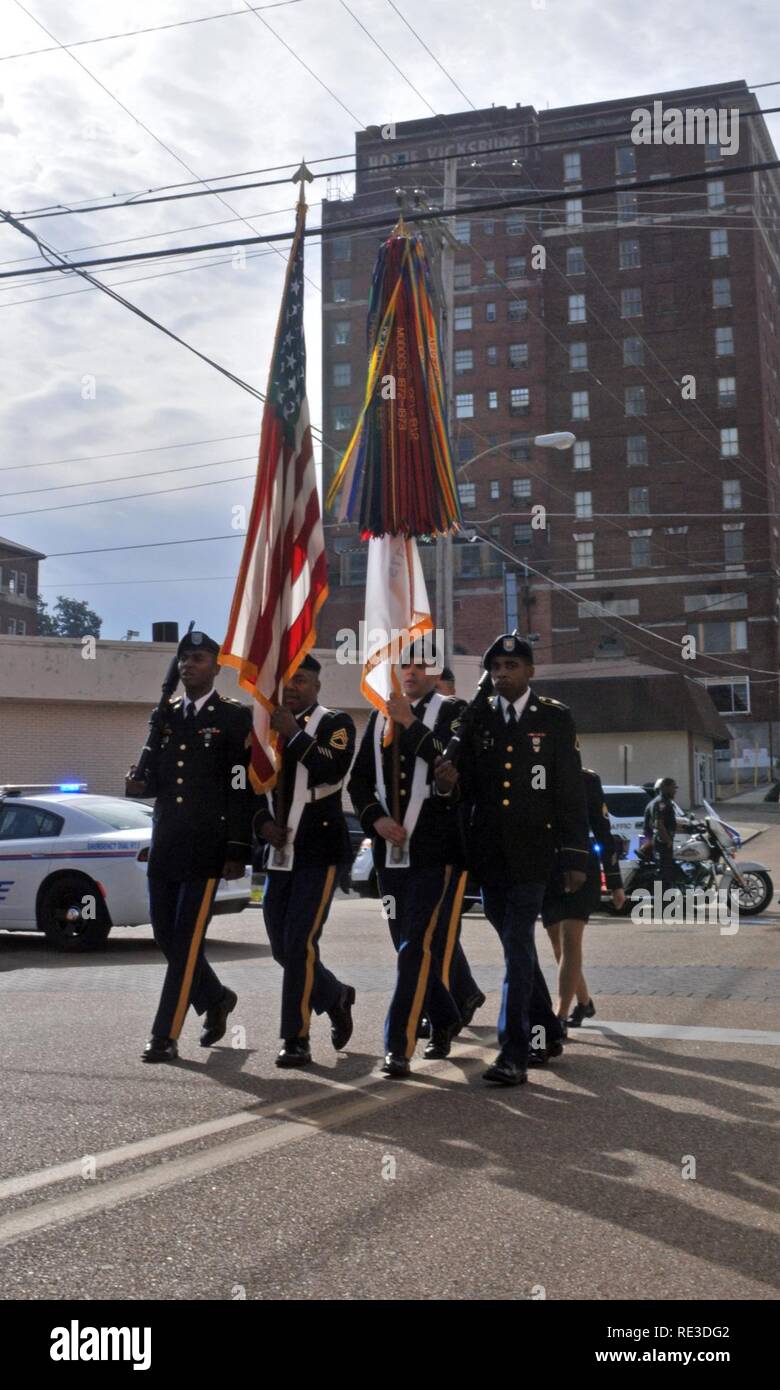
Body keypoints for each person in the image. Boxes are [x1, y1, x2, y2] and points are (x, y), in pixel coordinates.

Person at [435, 634, 590, 1087]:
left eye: (511, 666)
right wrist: (447, 783)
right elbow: (462, 789)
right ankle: (548, 1031)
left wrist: (575, 855)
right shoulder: (475, 717)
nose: (503, 674)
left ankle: (514, 1052)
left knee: (517, 944)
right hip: (488, 853)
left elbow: (569, 791)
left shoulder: (554, 718)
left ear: (530, 672)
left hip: (534, 853)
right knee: (516, 948)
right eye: (496, 667)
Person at [126, 630, 252, 1063]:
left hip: (205, 846)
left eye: (197, 658)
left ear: (216, 667)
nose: (188, 666)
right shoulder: (165, 715)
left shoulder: (234, 717)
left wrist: (238, 846)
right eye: (183, 659)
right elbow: (161, 781)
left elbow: (240, 784)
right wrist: (139, 784)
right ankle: (215, 996)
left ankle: (164, 1034)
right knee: (166, 934)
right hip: (167, 843)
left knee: (184, 940)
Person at [348, 642, 466, 1077]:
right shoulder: (380, 717)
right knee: (404, 944)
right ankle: (448, 1013)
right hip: (389, 852)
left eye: (421, 665)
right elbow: (358, 783)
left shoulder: (455, 711)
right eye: (406, 665)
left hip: (435, 851)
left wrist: (410, 723)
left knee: (416, 944)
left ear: (436, 673)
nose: (412, 672)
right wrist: (375, 820)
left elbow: (452, 764)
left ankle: (397, 1044)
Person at [253, 654, 356, 1068]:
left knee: (300, 943)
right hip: (279, 853)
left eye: (302, 680)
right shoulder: (264, 726)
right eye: (288, 680)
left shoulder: (336, 723)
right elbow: (247, 784)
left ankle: (295, 1037)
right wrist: (261, 823)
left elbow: (329, 770)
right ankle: (335, 995)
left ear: (316, 685)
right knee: (282, 947)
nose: (293, 687)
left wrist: (293, 733)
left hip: (319, 848)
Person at [541, 768, 625, 1032]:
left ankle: (560, 1015)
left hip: (581, 865)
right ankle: (584, 1002)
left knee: (570, 939)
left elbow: (603, 829)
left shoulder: (587, 779)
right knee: (557, 944)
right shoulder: (537, 772)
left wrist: (615, 882)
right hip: (547, 866)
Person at [647, 776, 679, 902]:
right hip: (662, 843)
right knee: (664, 874)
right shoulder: (661, 803)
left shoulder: (666, 802)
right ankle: (662, 904)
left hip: (663, 843)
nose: (675, 790)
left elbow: (668, 822)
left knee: (668, 872)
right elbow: (658, 823)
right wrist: (667, 840)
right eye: (673, 787)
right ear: (665, 787)